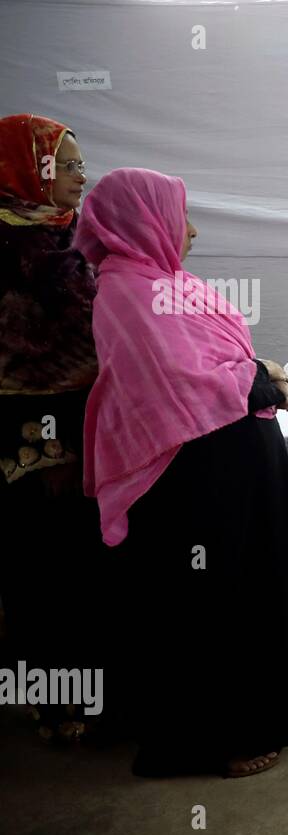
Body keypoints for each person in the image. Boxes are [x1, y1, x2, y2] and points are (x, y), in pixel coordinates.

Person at [74, 167, 288, 776]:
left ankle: (287, 697)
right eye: (179, 217)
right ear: (142, 222)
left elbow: (221, 357)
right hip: (195, 478)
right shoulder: (128, 292)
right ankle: (222, 738)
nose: (190, 231)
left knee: (262, 580)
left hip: (236, 461)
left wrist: (258, 372)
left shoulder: (161, 281)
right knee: (218, 599)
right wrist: (262, 380)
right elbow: (177, 382)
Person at [0, 113, 104, 744]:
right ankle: (53, 702)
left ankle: (92, 687)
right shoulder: (9, 245)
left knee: (82, 555)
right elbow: (24, 346)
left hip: (83, 414)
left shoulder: (66, 232)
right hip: (23, 425)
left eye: (80, 163)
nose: (78, 176)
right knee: (38, 560)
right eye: (65, 164)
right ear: (27, 167)